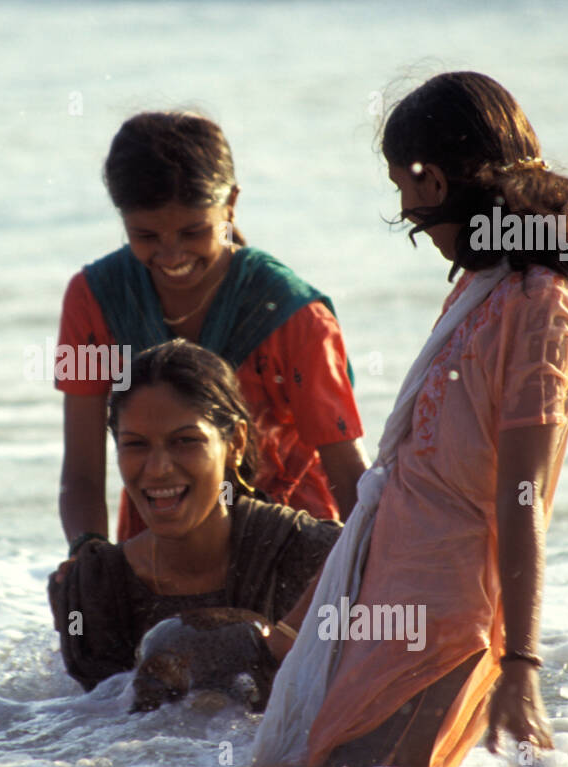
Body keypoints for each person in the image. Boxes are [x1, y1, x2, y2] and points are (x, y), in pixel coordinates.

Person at [254, 71, 568, 767]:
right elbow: (412, 463)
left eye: (406, 199)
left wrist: (521, 663)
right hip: (391, 593)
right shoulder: (484, 282)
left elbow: (522, 496)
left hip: (446, 617)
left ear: (435, 182)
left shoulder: (542, 304)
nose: (409, 216)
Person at [57, 112, 368, 573]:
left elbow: (349, 475)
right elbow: (82, 473)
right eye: (145, 236)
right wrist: (90, 557)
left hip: (291, 551)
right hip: (157, 550)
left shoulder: (297, 318)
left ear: (231, 205)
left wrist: (363, 573)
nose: (171, 254)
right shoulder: (93, 301)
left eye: (193, 232)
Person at [49, 339, 341, 691]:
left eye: (185, 441)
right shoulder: (94, 589)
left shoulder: (314, 557)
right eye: (136, 444)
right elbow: (95, 725)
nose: (157, 469)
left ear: (235, 443)